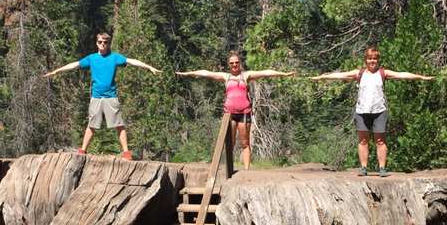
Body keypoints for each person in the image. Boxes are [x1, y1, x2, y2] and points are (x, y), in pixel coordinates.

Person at [311, 47, 434, 177]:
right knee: (363, 140)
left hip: (379, 111)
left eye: (374, 59)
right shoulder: (359, 73)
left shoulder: (383, 73)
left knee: (380, 140)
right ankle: (363, 168)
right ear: (365, 60)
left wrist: (422, 77)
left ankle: (382, 169)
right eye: (369, 58)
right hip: (362, 111)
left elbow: (402, 74)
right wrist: (321, 77)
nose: (372, 61)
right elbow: (339, 75)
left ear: (378, 60)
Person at [44, 32, 161, 160]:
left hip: (111, 97)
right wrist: (57, 71)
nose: (102, 44)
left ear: (108, 44)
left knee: (119, 124)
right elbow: (75, 64)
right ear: (96, 43)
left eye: (105, 42)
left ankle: (126, 153)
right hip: (96, 97)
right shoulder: (92, 58)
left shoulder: (114, 57)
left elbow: (131, 61)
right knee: (92, 124)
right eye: (100, 42)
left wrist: (149, 67)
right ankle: (82, 150)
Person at [176, 52, 294, 170]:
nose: (234, 65)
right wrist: (187, 74)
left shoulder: (246, 76)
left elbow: (266, 72)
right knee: (230, 143)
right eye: (232, 63)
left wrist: (284, 74)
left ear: (240, 63)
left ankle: (246, 170)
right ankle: (229, 170)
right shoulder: (225, 77)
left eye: (236, 62)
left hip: (244, 113)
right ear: (229, 64)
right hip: (230, 114)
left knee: (245, 143)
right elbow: (205, 73)